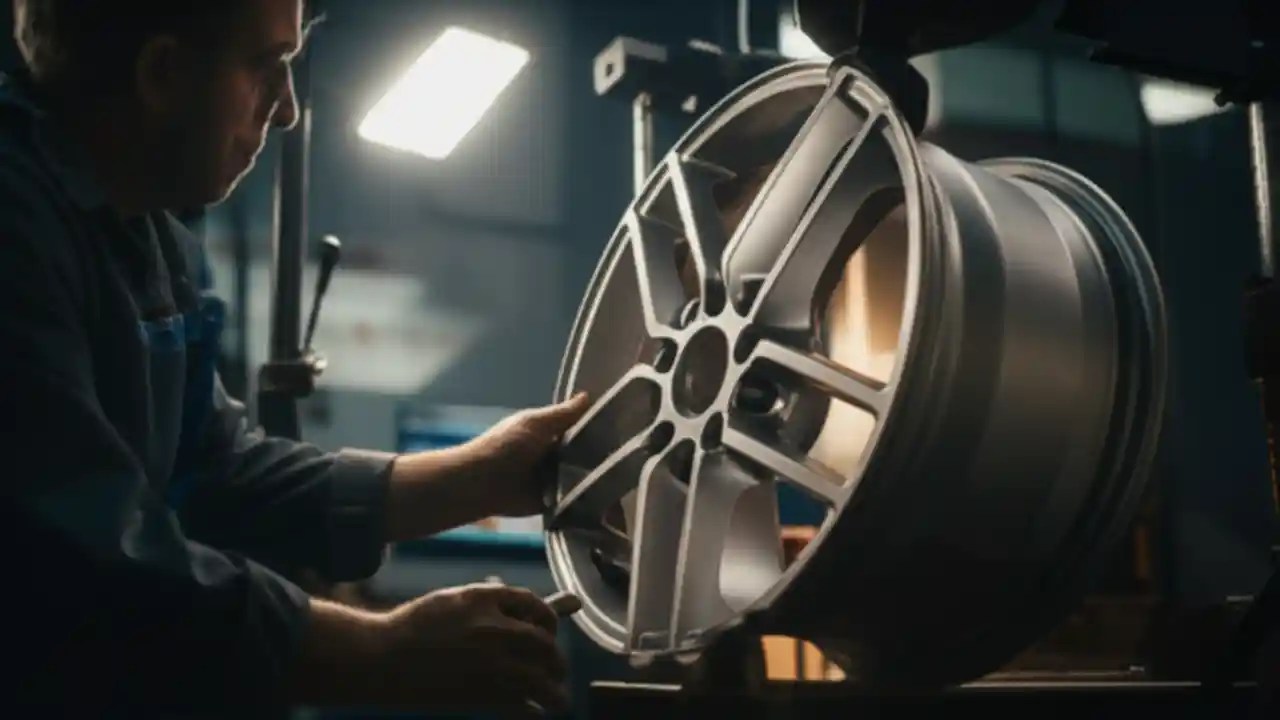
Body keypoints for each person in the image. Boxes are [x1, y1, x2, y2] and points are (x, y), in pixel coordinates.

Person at [0, 0, 590, 714]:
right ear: (162, 72)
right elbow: (82, 566)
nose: (285, 111)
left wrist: (478, 476)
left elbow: (216, 471)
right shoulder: (17, 232)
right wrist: (381, 650)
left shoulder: (146, 235)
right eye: (267, 66)